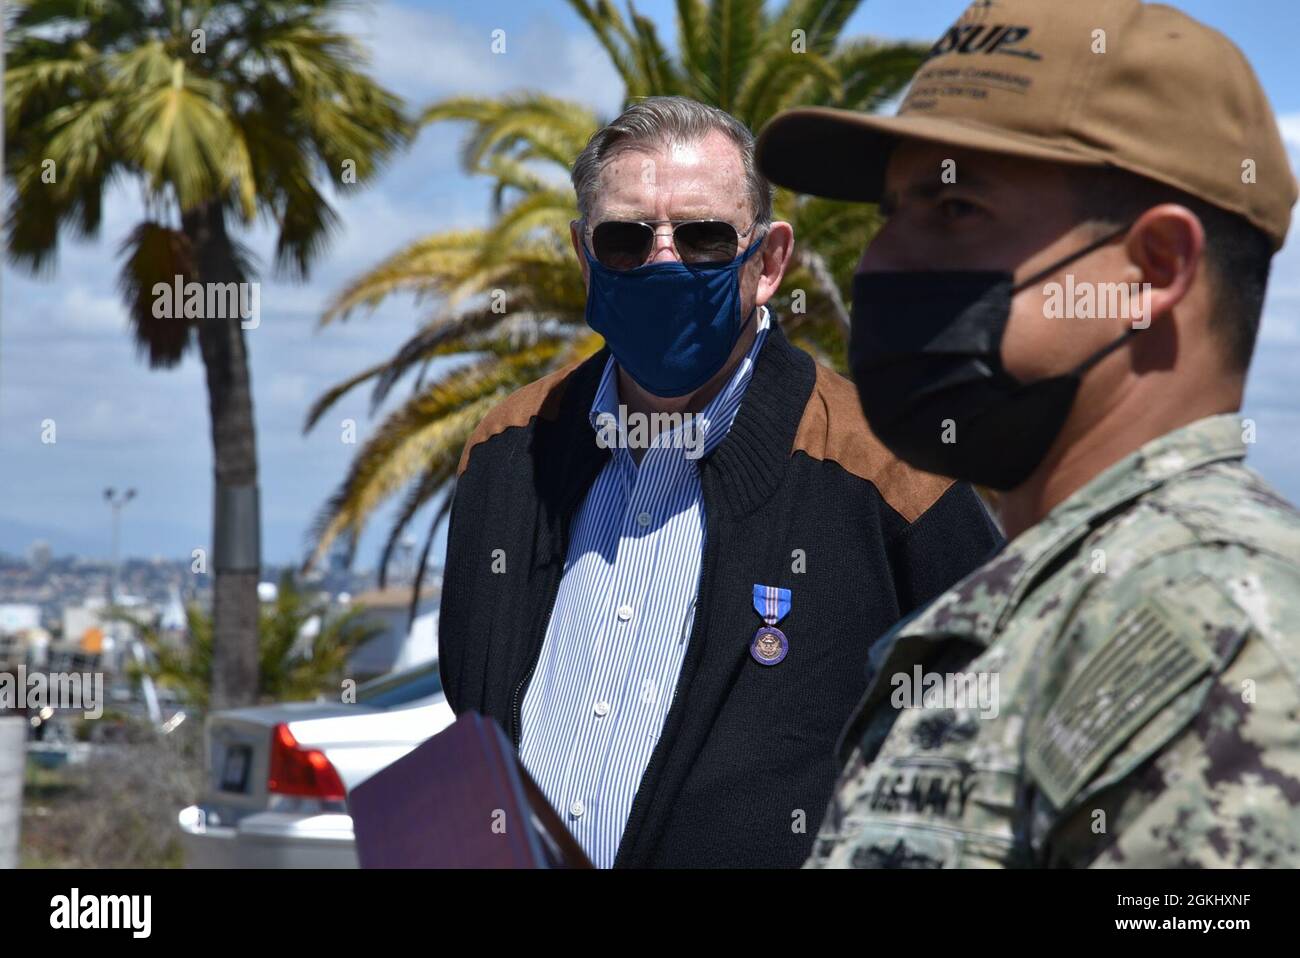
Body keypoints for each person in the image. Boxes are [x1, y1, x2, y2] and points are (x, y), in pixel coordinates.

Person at [757, 0, 1300, 866]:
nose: (878, 261)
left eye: (953, 208)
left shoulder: (1219, 633)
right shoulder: (1054, 598)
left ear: (1153, 269)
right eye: (891, 212)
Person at [437, 96, 1001, 868]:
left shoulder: (889, 471)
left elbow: (995, 742)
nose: (664, 262)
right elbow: (472, 712)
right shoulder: (505, 455)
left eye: (702, 238)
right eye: (626, 239)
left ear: (768, 262)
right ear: (584, 256)